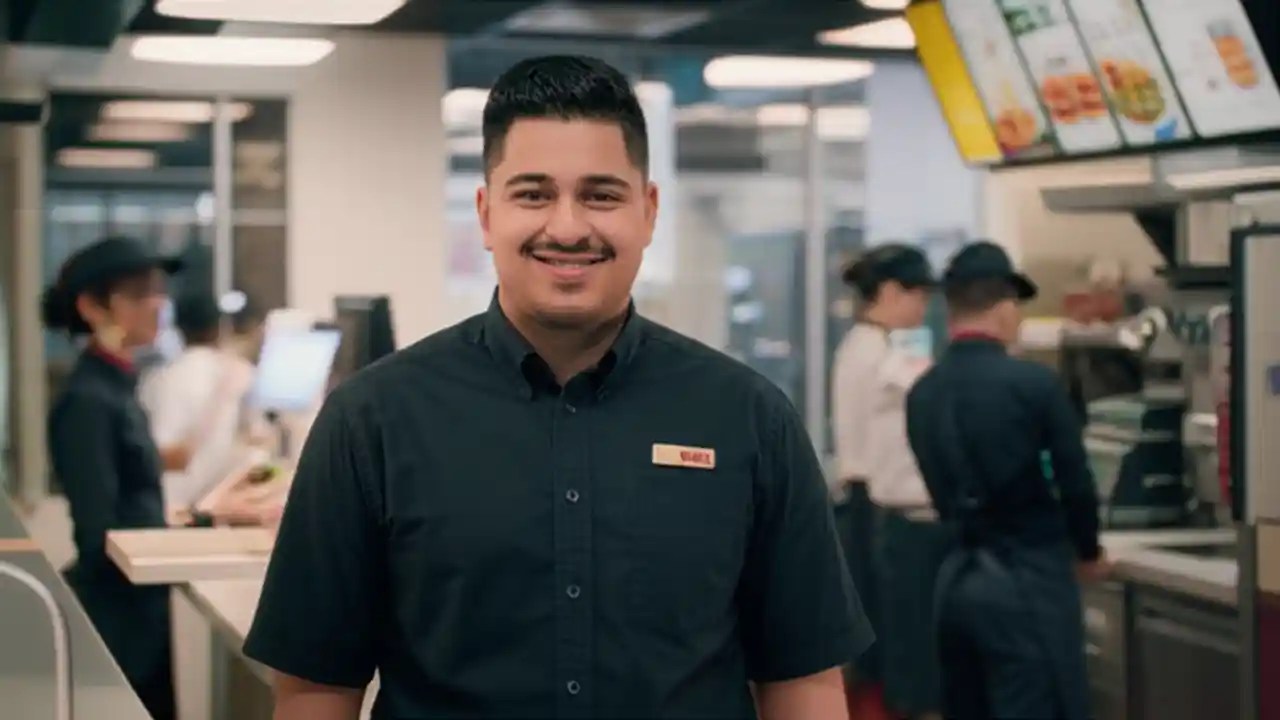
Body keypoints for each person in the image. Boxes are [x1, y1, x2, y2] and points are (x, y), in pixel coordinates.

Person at [243, 55, 871, 719]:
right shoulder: (371, 421)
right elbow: (317, 688)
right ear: (486, 214)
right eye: (533, 194)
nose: (568, 227)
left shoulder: (748, 418)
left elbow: (803, 679)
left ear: (648, 211)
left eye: (601, 194)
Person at [904, 241, 1109, 719]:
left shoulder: (922, 394)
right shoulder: (1032, 384)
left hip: (953, 581)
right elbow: (1075, 480)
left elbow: (939, 488)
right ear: (1002, 308)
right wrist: (1088, 551)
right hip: (1026, 581)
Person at [43, 236, 181, 720]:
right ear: (91, 306)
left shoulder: (119, 384)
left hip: (142, 614)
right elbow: (100, 537)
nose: (157, 303)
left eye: (159, 290)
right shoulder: (89, 400)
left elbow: (133, 505)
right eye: (139, 293)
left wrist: (205, 519)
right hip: (120, 626)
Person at [839, 245, 951, 720]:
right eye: (917, 295)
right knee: (895, 649)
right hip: (873, 509)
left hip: (864, 505)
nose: (923, 309)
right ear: (887, 292)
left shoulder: (865, 346)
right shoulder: (879, 355)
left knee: (884, 649)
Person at [139, 291, 257, 514]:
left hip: (164, 505)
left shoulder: (159, 377)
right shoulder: (238, 372)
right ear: (220, 328)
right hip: (205, 508)